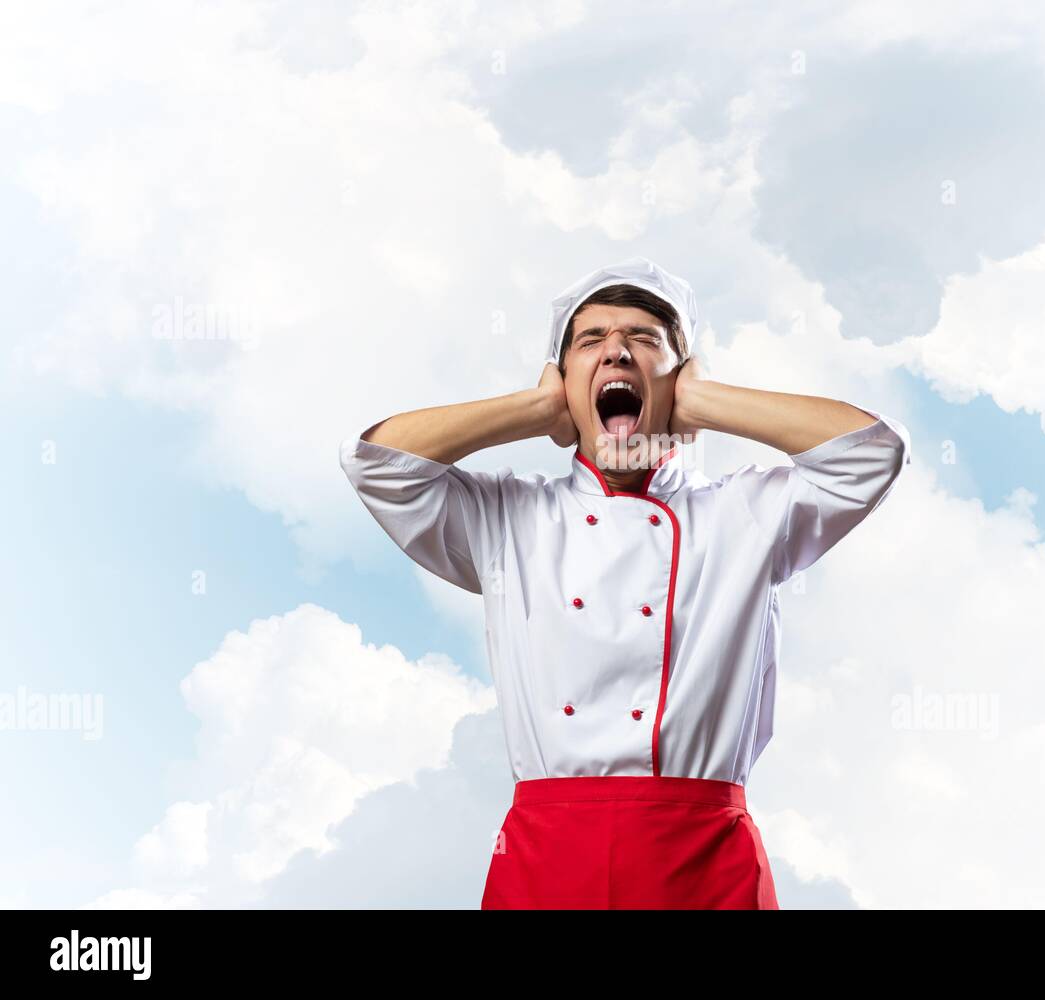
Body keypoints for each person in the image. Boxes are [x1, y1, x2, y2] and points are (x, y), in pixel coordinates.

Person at [338, 256, 911, 909]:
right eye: (591, 342)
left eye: (644, 339)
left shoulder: (744, 513)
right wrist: (536, 408)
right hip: (546, 859)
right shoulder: (506, 518)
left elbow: (872, 453)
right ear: (562, 382)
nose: (616, 351)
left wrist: (705, 403)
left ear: (682, 377)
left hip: (703, 858)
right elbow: (376, 464)